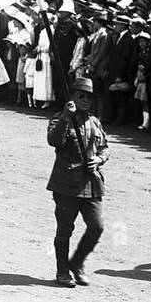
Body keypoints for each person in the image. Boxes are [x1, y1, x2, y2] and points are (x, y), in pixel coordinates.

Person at [47, 77, 108, 286]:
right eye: (80, 96)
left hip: (91, 182)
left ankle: (77, 262)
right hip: (66, 183)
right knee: (65, 228)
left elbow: (105, 147)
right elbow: (54, 141)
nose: (84, 100)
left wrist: (99, 159)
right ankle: (62, 270)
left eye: (88, 97)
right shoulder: (59, 118)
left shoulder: (94, 121)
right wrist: (65, 117)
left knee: (97, 226)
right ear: (72, 97)